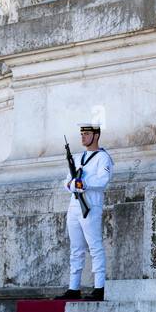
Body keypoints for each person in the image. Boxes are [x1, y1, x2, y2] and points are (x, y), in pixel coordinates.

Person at [60, 123, 114, 301]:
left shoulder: (103, 158)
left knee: (95, 246)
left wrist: (83, 184)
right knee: (76, 249)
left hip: (91, 205)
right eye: (82, 134)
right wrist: (72, 184)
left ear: (96, 135)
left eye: (87, 133)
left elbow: (102, 181)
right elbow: (67, 182)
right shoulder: (77, 158)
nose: (83, 137)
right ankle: (73, 288)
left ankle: (99, 287)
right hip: (74, 206)